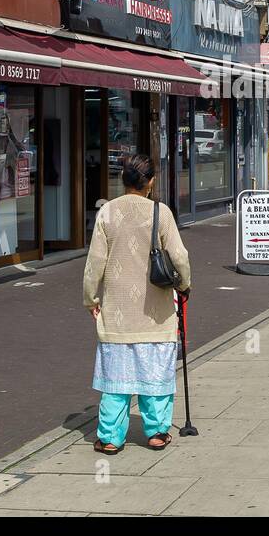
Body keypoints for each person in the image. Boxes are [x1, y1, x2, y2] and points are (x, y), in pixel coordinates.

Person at [83, 154, 192, 454]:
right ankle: (157, 432)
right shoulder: (161, 212)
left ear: (123, 180)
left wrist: (90, 298)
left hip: (117, 311)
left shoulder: (107, 212)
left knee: (115, 379)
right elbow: (179, 257)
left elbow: (95, 262)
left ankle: (110, 437)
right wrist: (184, 284)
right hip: (155, 312)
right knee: (155, 374)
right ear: (151, 181)